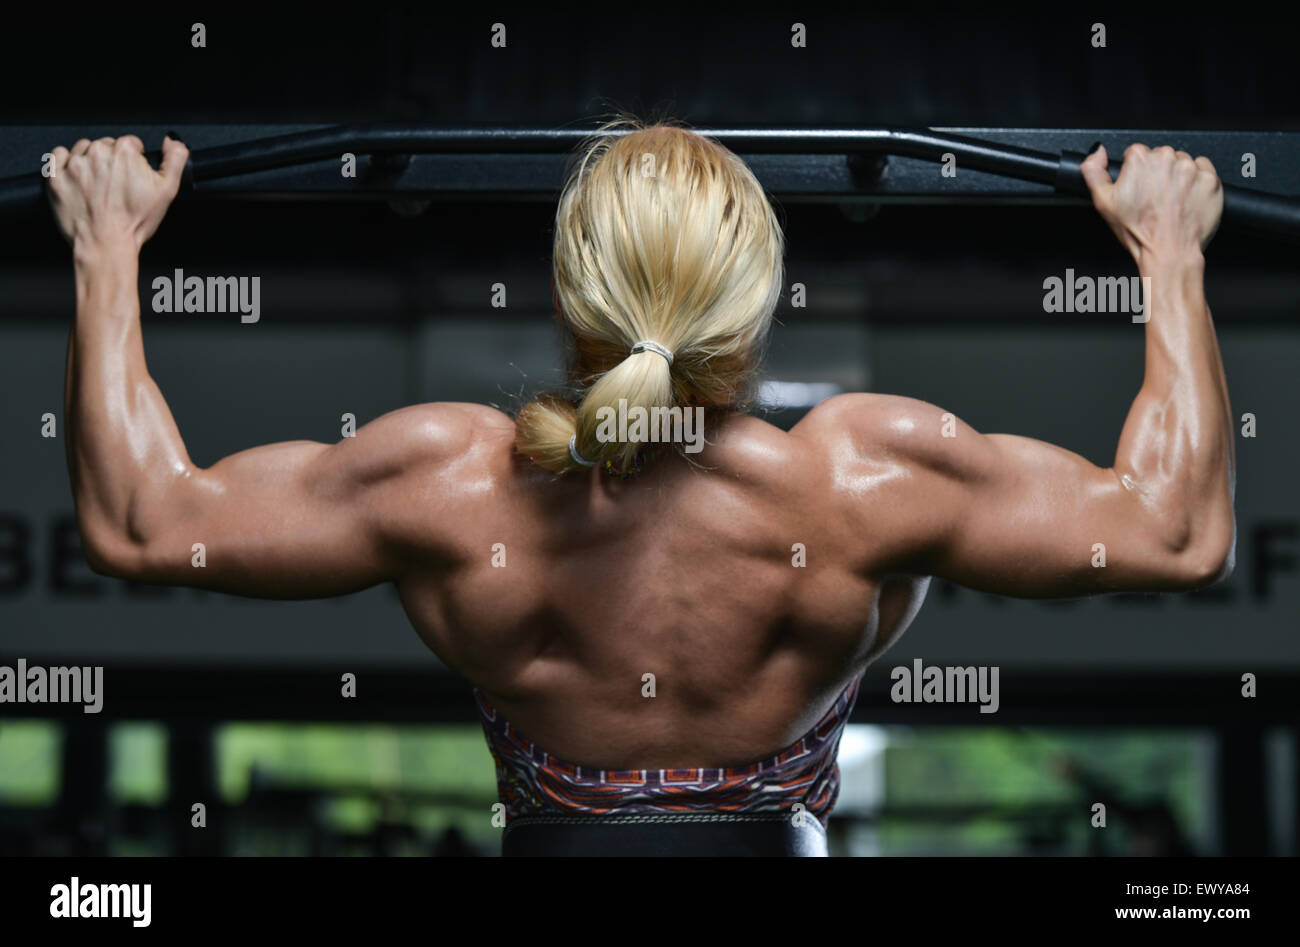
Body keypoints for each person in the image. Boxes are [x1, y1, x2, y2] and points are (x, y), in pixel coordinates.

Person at [46, 121, 1234, 856]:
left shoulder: (454, 480)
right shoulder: (866, 475)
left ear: (569, 297)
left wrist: (109, 248)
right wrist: (1167, 254)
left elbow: (144, 518)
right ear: (757, 307)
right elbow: (1174, 533)